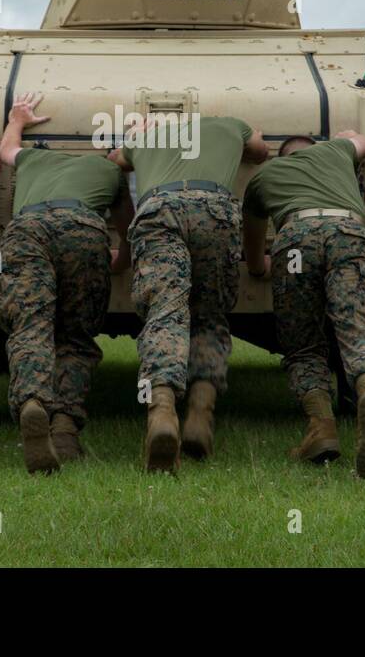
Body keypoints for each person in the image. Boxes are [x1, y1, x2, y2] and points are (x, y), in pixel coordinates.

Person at [108, 114, 268, 472]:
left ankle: (162, 413)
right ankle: (200, 414)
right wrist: (247, 138)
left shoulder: (147, 138)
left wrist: (135, 138)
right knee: (210, 315)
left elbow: (115, 161)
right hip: (215, 210)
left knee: (165, 313)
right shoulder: (231, 124)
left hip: (158, 210)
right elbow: (261, 151)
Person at [0, 93, 134, 473]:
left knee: (30, 328)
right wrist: (116, 265)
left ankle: (32, 404)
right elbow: (127, 234)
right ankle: (64, 430)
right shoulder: (111, 172)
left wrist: (18, 118)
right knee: (75, 337)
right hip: (82, 230)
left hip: (27, 230)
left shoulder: (35, 158)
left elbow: (8, 150)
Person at [243, 132, 365, 479]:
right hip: (348, 234)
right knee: (360, 330)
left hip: (296, 242)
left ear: (282, 157)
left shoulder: (263, 177)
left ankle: (321, 428)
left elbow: (251, 237)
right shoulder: (337, 151)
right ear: (317, 149)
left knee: (303, 342)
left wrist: (257, 267)